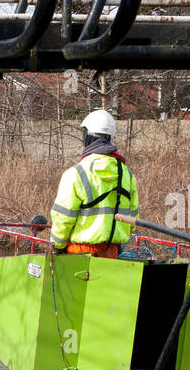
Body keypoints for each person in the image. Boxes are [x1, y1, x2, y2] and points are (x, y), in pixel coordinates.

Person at [48, 109, 139, 259]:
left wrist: (57, 247)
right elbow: (132, 218)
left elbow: (63, 218)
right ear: (109, 137)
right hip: (112, 253)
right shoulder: (126, 174)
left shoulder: (76, 173)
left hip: (79, 254)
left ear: (87, 135)